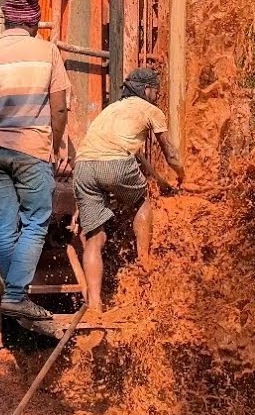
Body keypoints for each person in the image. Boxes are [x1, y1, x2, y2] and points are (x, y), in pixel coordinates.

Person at [0, 0, 71, 321]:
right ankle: (15, 295)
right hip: (32, 148)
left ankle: (12, 295)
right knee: (37, 220)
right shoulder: (47, 51)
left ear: (5, 19)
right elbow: (60, 107)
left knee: (5, 226)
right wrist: (58, 141)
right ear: (33, 21)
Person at [73, 67, 185, 315]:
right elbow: (171, 153)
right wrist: (182, 177)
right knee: (142, 201)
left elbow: (137, 155)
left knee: (94, 238)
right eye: (155, 90)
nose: (156, 95)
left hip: (82, 167)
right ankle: (144, 262)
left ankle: (95, 306)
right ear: (147, 90)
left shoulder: (111, 109)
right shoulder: (150, 110)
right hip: (115, 164)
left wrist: (158, 179)